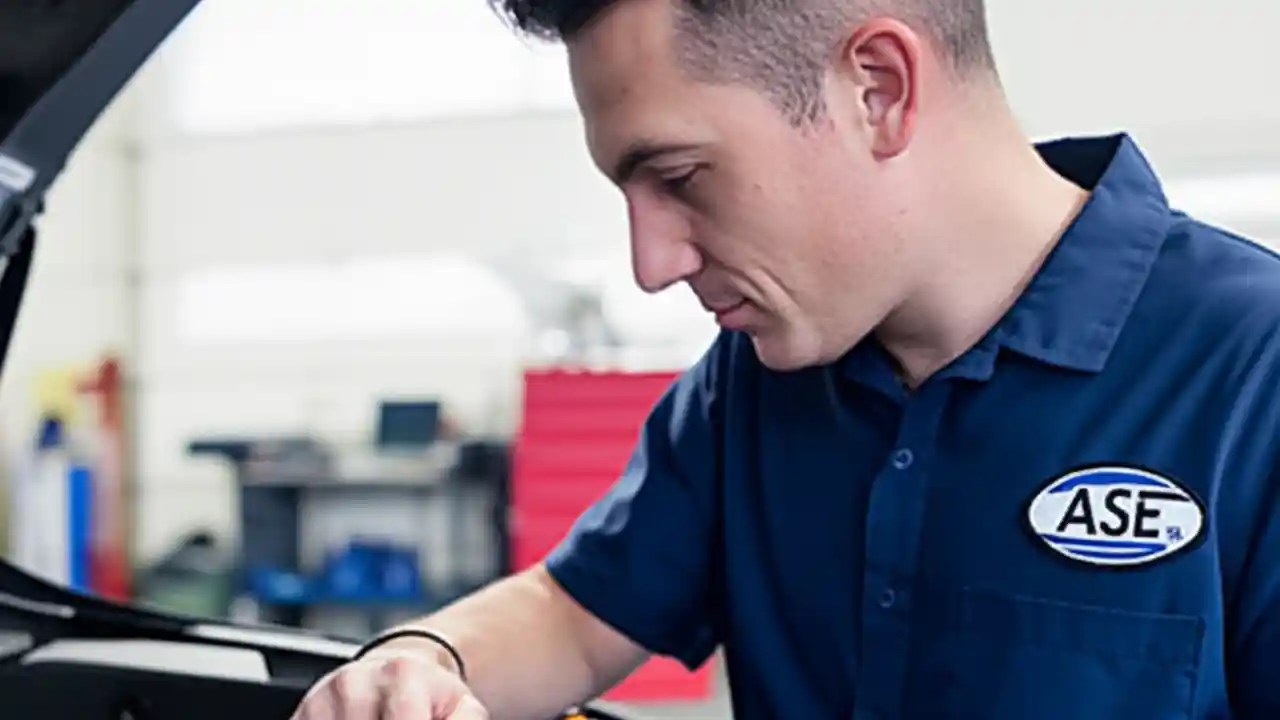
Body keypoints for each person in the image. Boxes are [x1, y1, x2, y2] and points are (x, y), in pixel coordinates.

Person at [291, 0, 1280, 717]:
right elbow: (573, 610)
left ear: (875, 90)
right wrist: (421, 662)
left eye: (679, 176)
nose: (650, 263)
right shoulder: (751, 386)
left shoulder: (1250, 377)